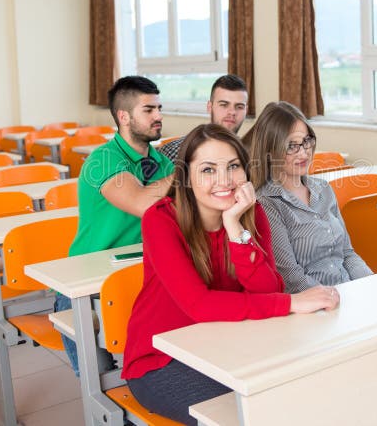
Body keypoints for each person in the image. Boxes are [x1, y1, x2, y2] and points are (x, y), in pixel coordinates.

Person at [123, 124, 339, 425]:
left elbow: (266, 290)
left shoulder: (252, 212)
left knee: (307, 392)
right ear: (185, 177)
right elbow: (200, 305)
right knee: (253, 416)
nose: (224, 180)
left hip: (229, 346)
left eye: (233, 166)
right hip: (162, 360)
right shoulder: (160, 219)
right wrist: (291, 303)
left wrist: (235, 227)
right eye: (208, 170)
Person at [56, 76, 175, 375]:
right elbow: (141, 202)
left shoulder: (162, 164)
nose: (159, 116)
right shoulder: (103, 160)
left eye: (159, 108)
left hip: (140, 272)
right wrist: (193, 168)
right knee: (99, 378)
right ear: (124, 116)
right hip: (87, 286)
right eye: (149, 110)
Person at [249, 101, 372, 294]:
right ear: (270, 152)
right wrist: (336, 298)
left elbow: (347, 254)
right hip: (313, 303)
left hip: (346, 292)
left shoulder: (324, 189)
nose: (304, 153)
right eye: (291, 146)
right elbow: (292, 279)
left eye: (306, 141)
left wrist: (372, 284)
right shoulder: (267, 203)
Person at [159, 74, 249, 162]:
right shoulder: (176, 153)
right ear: (209, 107)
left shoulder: (249, 155)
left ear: (246, 110)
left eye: (239, 107)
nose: (232, 112)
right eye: (224, 105)